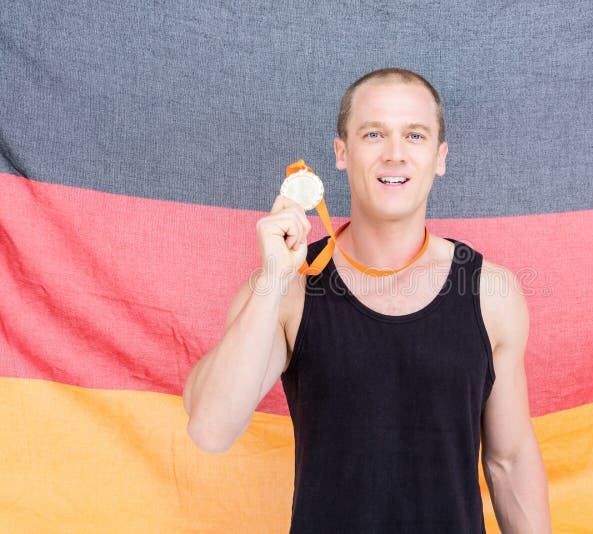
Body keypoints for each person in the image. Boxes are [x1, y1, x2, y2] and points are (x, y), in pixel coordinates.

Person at [182, 67, 551, 533]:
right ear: (343, 152)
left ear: (440, 157)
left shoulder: (490, 294)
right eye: (374, 133)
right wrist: (273, 278)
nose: (394, 154)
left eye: (414, 136)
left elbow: (510, 461)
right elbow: (210, 431)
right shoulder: (289, 289)